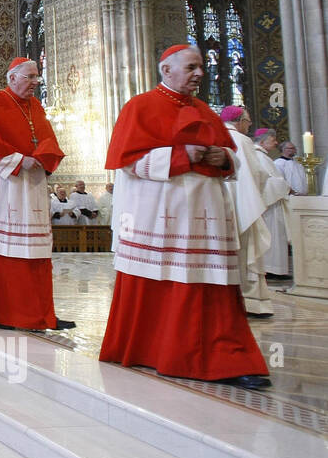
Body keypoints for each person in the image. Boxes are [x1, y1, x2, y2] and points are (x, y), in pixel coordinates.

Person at [99, 44, 270, 388]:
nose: (199, 74)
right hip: (162, 214)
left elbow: (233, 157)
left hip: (206, 216)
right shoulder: (140, 106)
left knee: (215, 288)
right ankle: (161, 352)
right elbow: (128, 160)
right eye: (192, 67)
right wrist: (180, 154)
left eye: (201, 67)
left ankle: (228, 357)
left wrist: (224, 157)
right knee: (167, 283)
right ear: (166, 70)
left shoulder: (205, 110)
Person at [0, 57, 75, 331]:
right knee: (6, 250)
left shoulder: (35, 106)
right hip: (4, 188)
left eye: (37, 77)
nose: (36, 82)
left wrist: (47, 157)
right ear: (12, 78)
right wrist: (18, 160)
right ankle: (4, 313)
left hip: (31, 186)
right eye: (30, 77)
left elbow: (45, 140)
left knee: (36, 252)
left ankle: (41, 314)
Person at [219, 107, 287, 317]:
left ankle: (226, 302)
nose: (249, 126)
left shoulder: (213, 137)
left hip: (219, 206)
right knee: (247, 251)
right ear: (239, 121)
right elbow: (256, 174)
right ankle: (252, 302)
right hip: (243, 205)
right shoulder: (242, 141)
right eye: (247, 121)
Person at [254, 130, 292, 281]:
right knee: (271, 237)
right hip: (269, 205)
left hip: (272, 203)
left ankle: (273, 268)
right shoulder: (259, 157)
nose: (276, 142)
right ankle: (271, 269)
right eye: (272, 139)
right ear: (262, 142)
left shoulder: (262, 157)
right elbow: (266, 183)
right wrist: (284, 184)